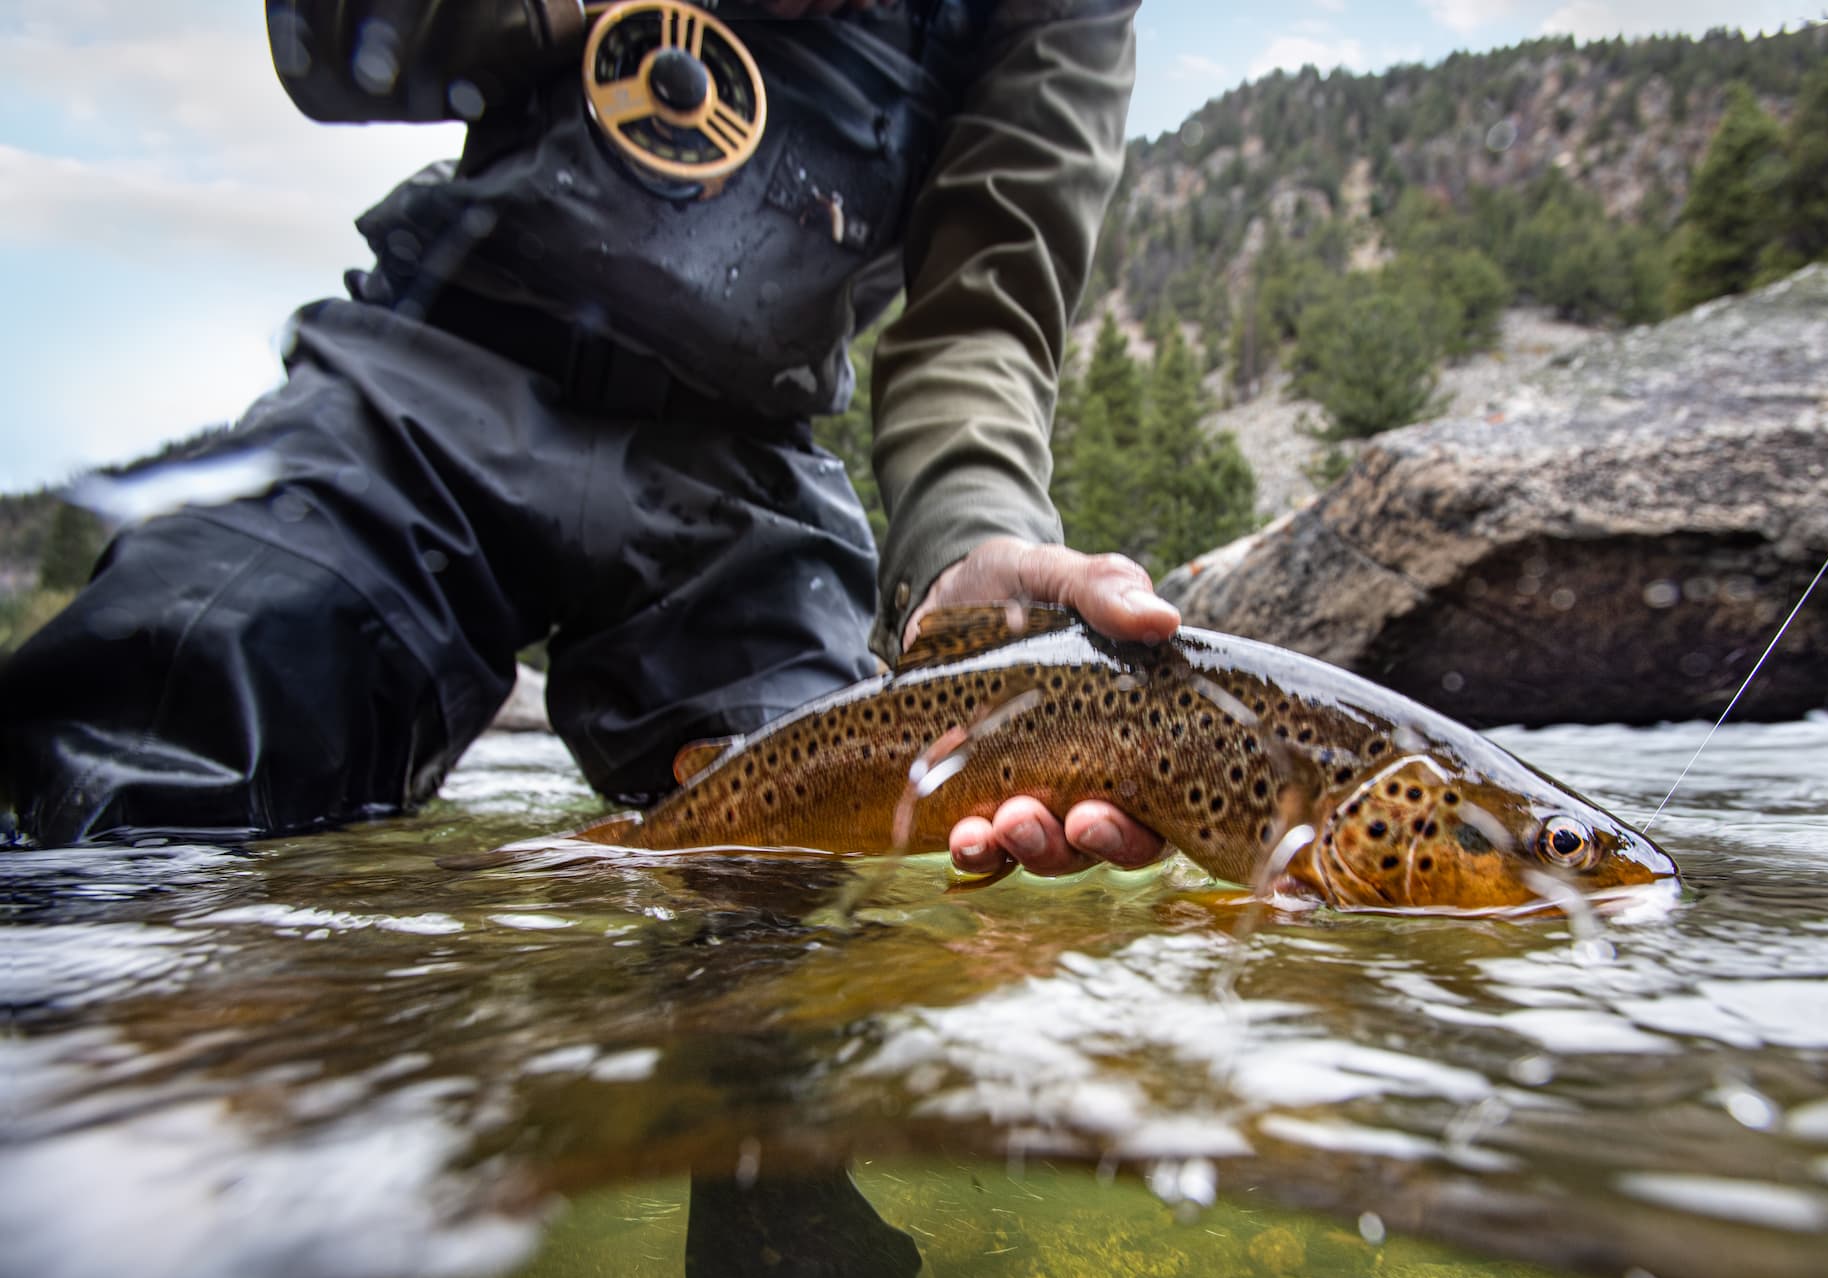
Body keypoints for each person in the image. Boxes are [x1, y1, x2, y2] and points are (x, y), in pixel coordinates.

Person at [0, 0, 1172, 876]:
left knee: (791, 891)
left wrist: (971, 540)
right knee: (138, 757)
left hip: (744, 485)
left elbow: (983, 317)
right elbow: (331, 35)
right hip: (427, 377)